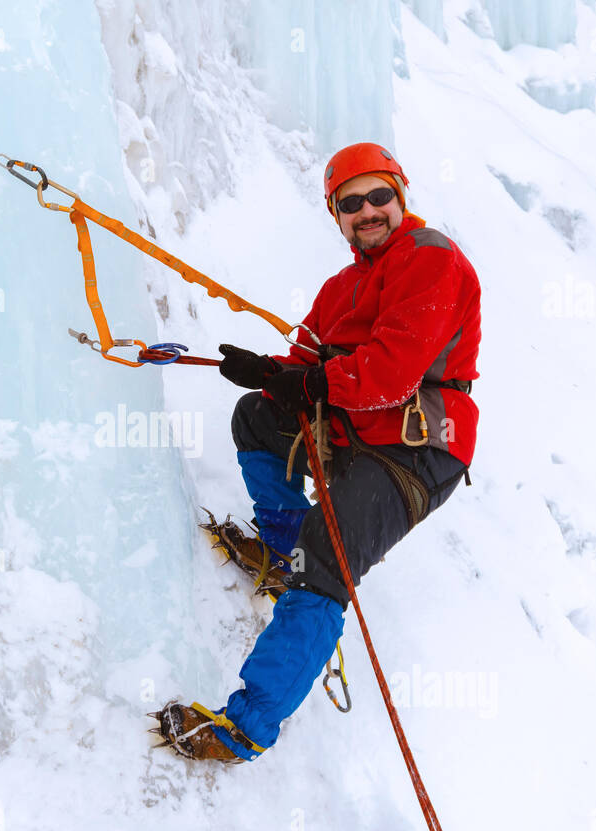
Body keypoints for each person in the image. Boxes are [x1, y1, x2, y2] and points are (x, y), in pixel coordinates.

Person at [154, 143, 483, 761]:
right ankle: (282, 554)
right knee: (258, 419)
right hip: (356, 433)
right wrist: (264, 373)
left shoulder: (431, 259)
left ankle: (247, 727)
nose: (367, 211)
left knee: (324, 564)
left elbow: (390, 373)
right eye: (350, 202)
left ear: (400, 197)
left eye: (378, 196)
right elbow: (306, 367)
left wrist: (304, 383)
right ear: (337, 215)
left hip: (414, 452)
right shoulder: (342, 288)